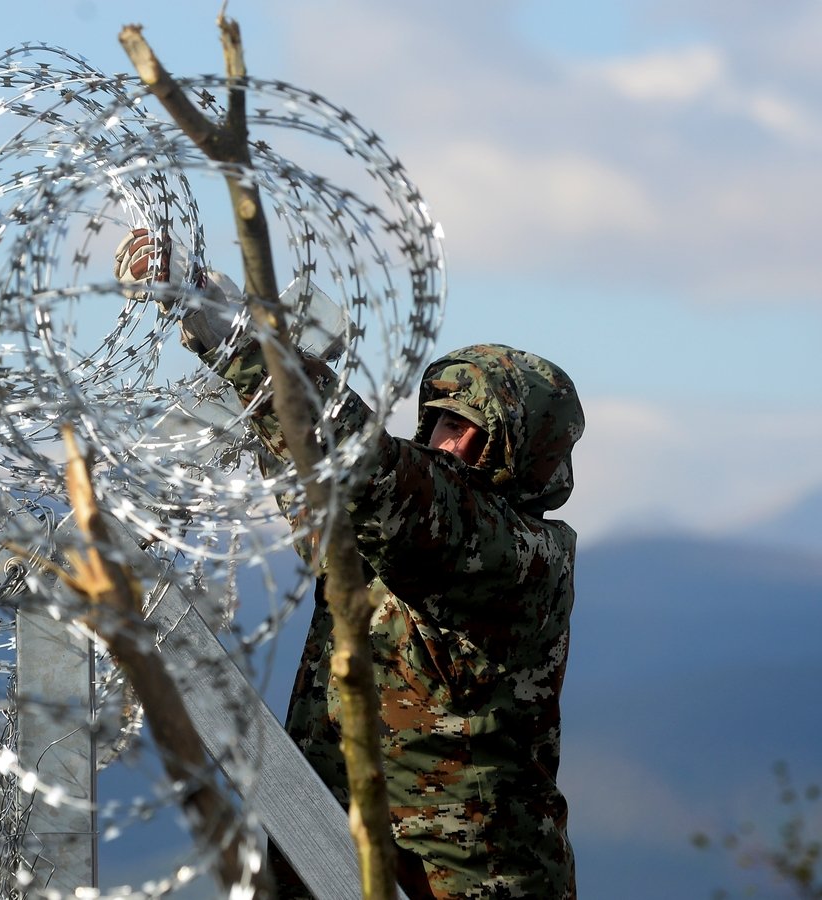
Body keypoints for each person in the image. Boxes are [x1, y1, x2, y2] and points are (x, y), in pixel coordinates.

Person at [116, 231, 586, 899]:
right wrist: (223, 335)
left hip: (465, 879)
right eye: (442, 422)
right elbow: (318, 483)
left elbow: (366, 471)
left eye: (473, 433)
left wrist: (233, 331)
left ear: (524, 456)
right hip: (332, 849)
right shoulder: (402, 539)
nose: (449, 444)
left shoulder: (513, 555)